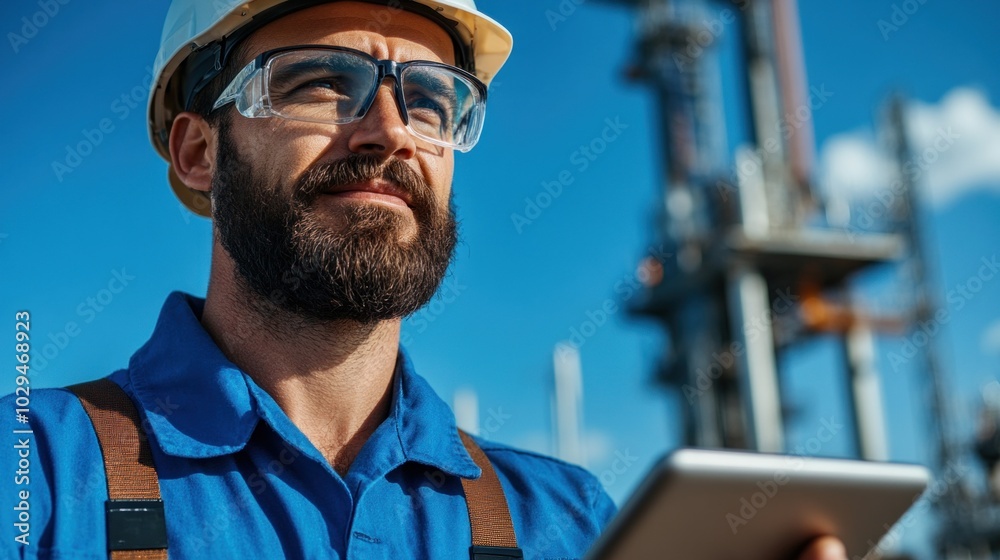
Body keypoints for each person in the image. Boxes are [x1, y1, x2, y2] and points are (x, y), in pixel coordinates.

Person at [2, 1, 849, 558]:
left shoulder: (564, 522)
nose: (390, 132)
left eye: (434, 100)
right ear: (198, 153)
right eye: (321, 82)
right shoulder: (33, 475)